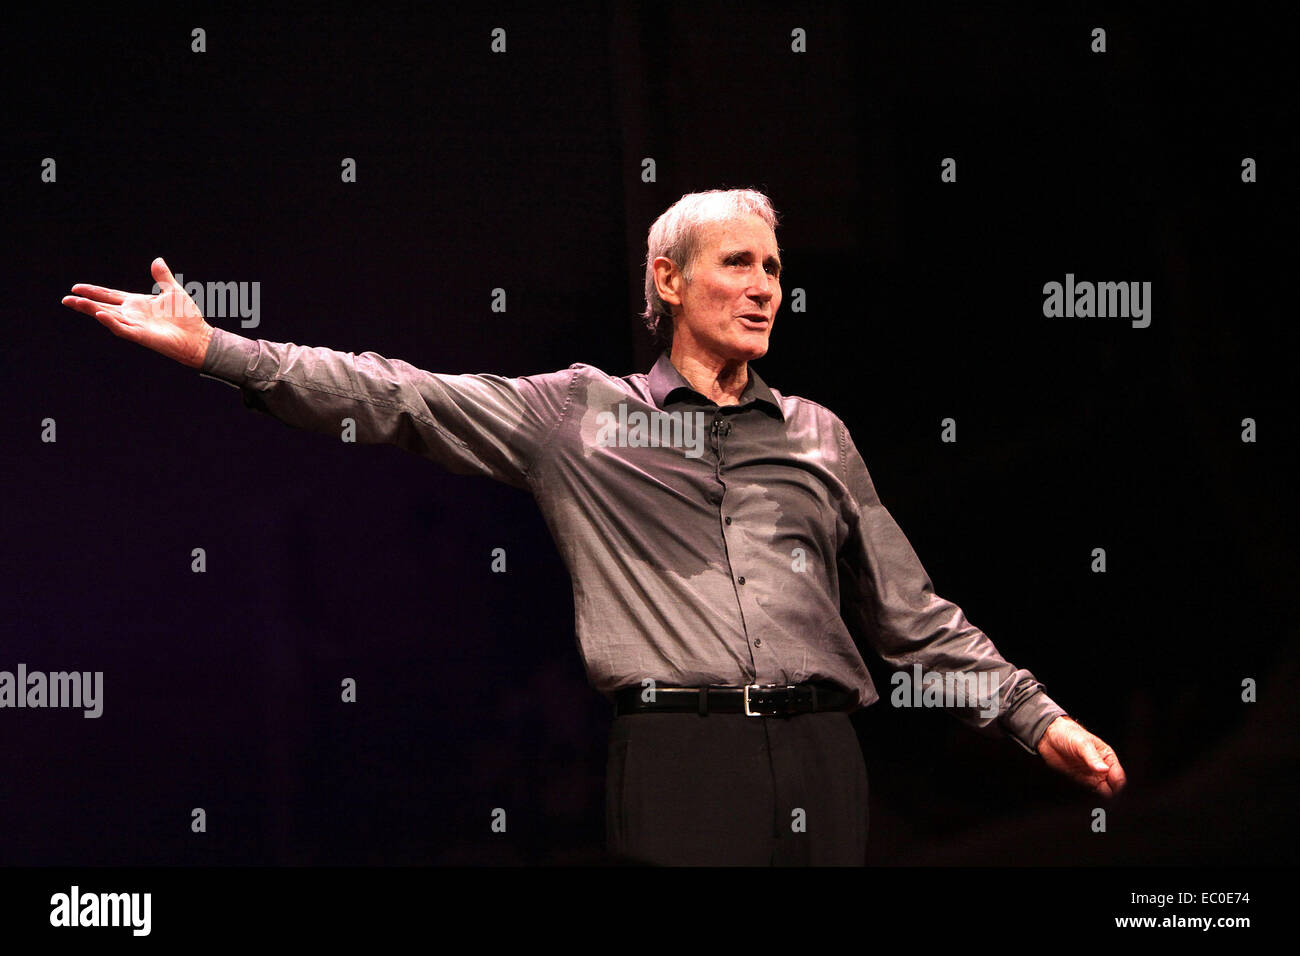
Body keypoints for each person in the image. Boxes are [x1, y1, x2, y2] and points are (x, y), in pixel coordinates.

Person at [61, 188, 1125, 866]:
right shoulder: (578, 412)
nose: (764, 287)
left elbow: (911, 615)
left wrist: (1033, 718)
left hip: (820, 749)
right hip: (678, 756)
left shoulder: (815, 433)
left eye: (773, 269)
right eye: (737, 264)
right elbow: (398, 394)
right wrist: (222, 352)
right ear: (666, 280)